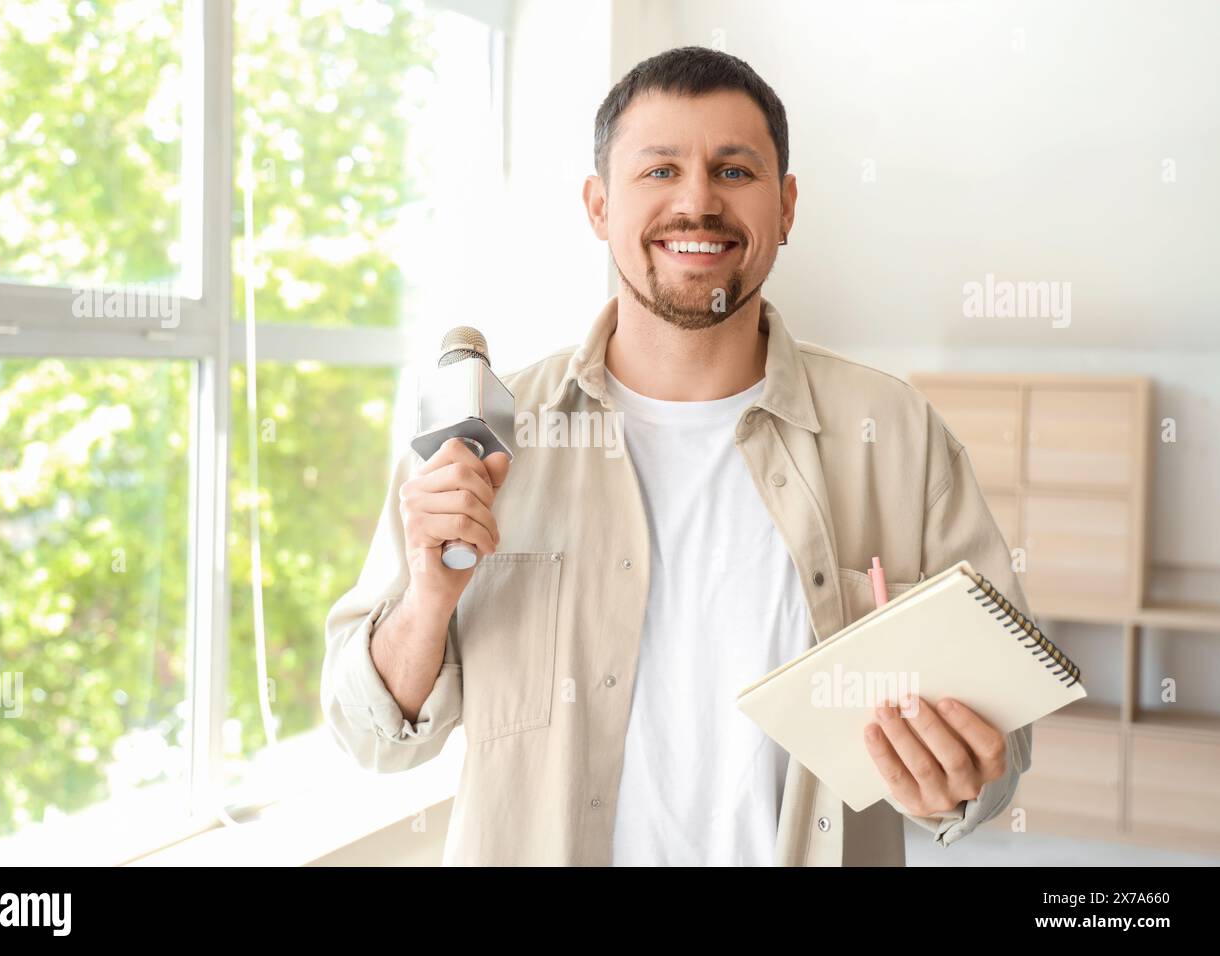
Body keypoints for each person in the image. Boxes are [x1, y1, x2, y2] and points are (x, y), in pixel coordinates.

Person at [321, 45, 1032, 866]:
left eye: (734, 172)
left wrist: (964, 776)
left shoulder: (898, 435)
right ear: (597, 205)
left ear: (787, 205)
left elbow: (1004, 737)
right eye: (659, 171)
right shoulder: (483, 441)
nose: (697, 202)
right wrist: (429, 601)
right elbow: (370, 735)